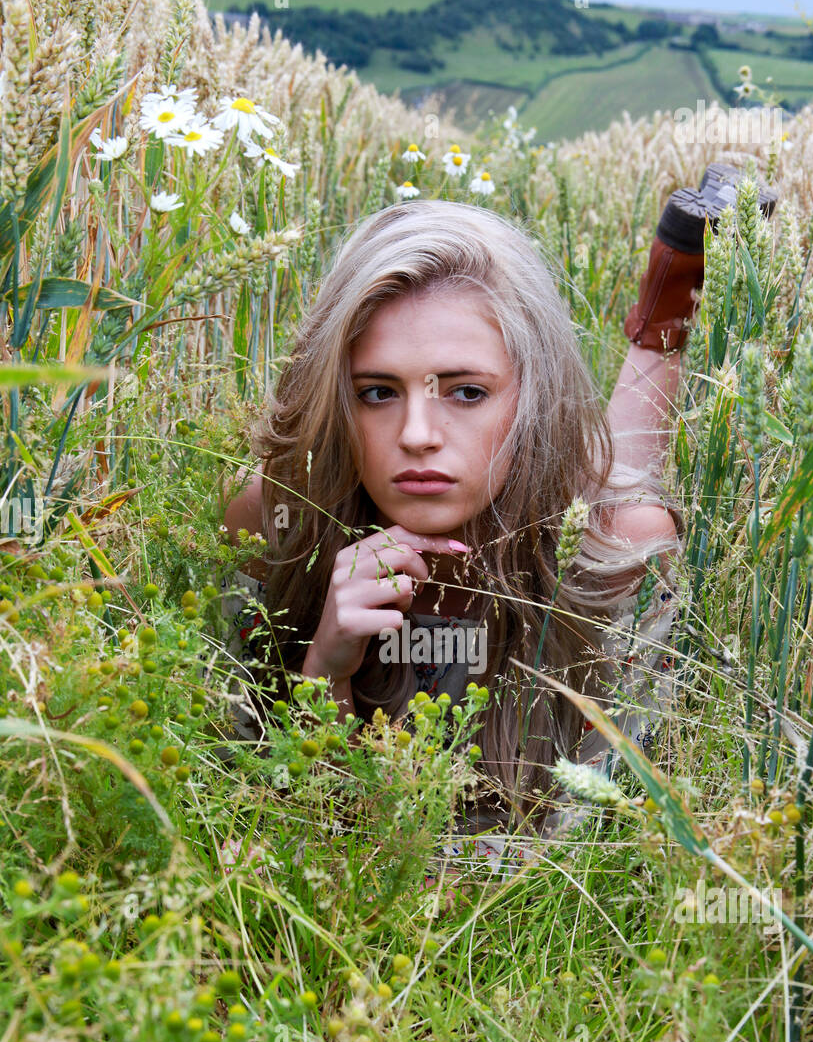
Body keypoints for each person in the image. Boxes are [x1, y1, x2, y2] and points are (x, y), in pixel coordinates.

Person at [219, 167, 776, 881]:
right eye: (378, 392)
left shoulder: (622, 551)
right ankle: (667, 308)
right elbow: (257, 789)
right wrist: (327, 670)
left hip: (574, 519)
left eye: (467, 391)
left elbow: (593, 839)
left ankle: (664, 325)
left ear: (533, 395)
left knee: (611, 508)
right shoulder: (278, 517)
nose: (418, 435)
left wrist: (419, 864)